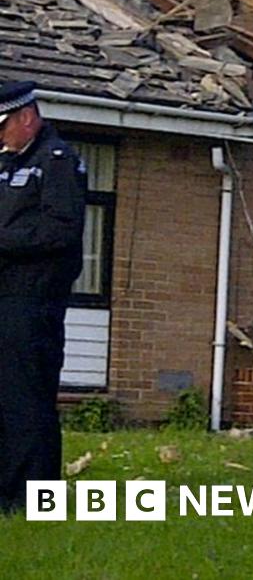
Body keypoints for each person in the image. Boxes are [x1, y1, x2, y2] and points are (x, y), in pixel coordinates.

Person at [0, 81, 86, 514]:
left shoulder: (56, 161)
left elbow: (60, 230)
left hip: (33, 299)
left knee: (28, 399)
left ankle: (33, 498)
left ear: (26, 117)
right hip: (4, 296)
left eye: (3, 126)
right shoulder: (7, 162)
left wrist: (4, 241)